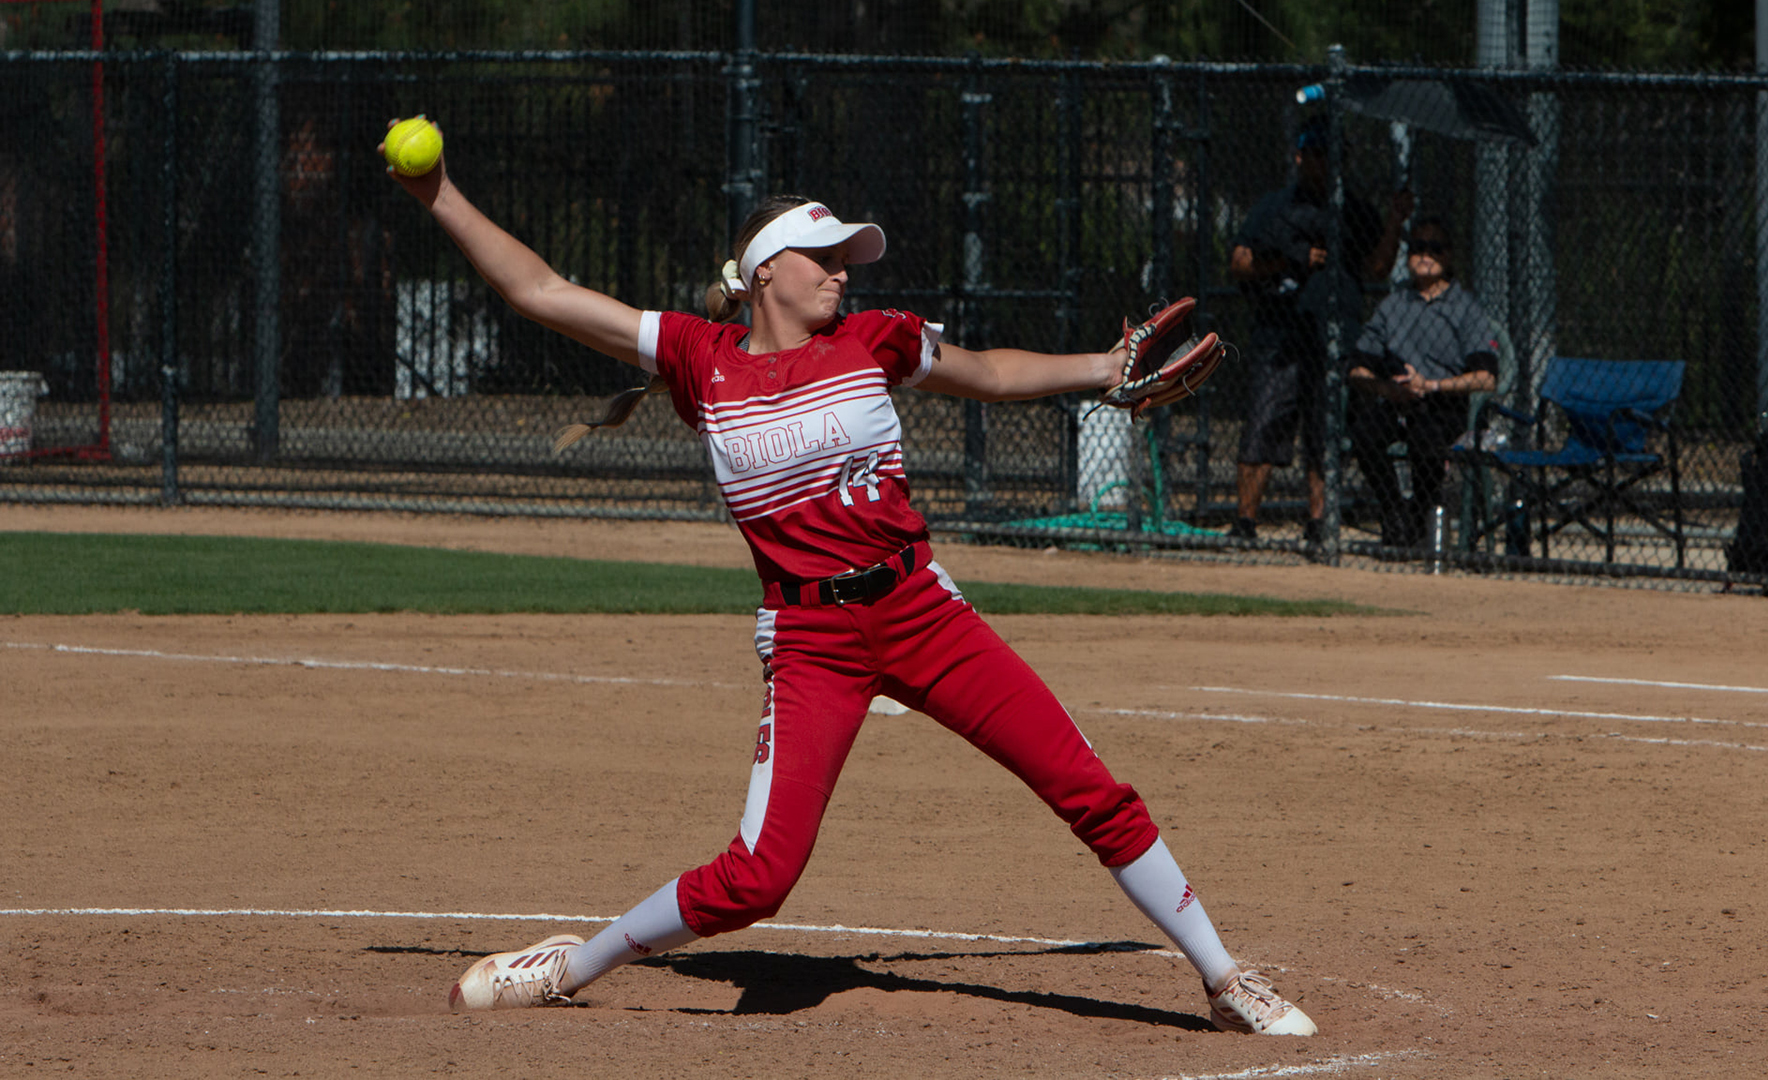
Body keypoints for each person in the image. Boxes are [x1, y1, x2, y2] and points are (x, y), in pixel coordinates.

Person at [380, 120, 1317, 1037]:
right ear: (762, 275)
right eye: (821, 254)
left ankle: (1225, 977)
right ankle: (572, 965)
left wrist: (1099, 368)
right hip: (812, 641)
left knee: (1088, 788)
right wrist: (439, 194)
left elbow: (986, 371)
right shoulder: (698, 361)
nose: (840, 269)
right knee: (759, 878)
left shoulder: (876, 338)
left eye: (845, 257)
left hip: (921, 611)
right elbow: (541, 289)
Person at [1227, 115, 1410, 543]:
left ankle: (1319, 522)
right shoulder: (1274, 207)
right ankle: (1245, 521)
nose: (1326, 164)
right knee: (1265, 422)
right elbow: (1239, 262)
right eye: (1317, 155)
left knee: (1323, 430)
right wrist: (1291, 261)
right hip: (1281, 334)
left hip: (1332, 337)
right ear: (1300, 156)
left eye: (1335, 156)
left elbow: (1377, 268)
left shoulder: (1356, 211)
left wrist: (1396, 222)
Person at [1345, 217, 1499, 548]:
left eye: (1435, 248)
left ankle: (1417, 517)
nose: (1425, 255)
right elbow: (1357, 368)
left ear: (1449, 256)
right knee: (1365, 433)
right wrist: (1388, 389)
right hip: (1398, 398)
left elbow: (1487, 378)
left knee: (1425, 438)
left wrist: (1431, 385)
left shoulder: (1465, 307)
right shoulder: (1393, 305)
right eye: (1417, 248)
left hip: (1444, 404)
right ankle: (1393, 512)